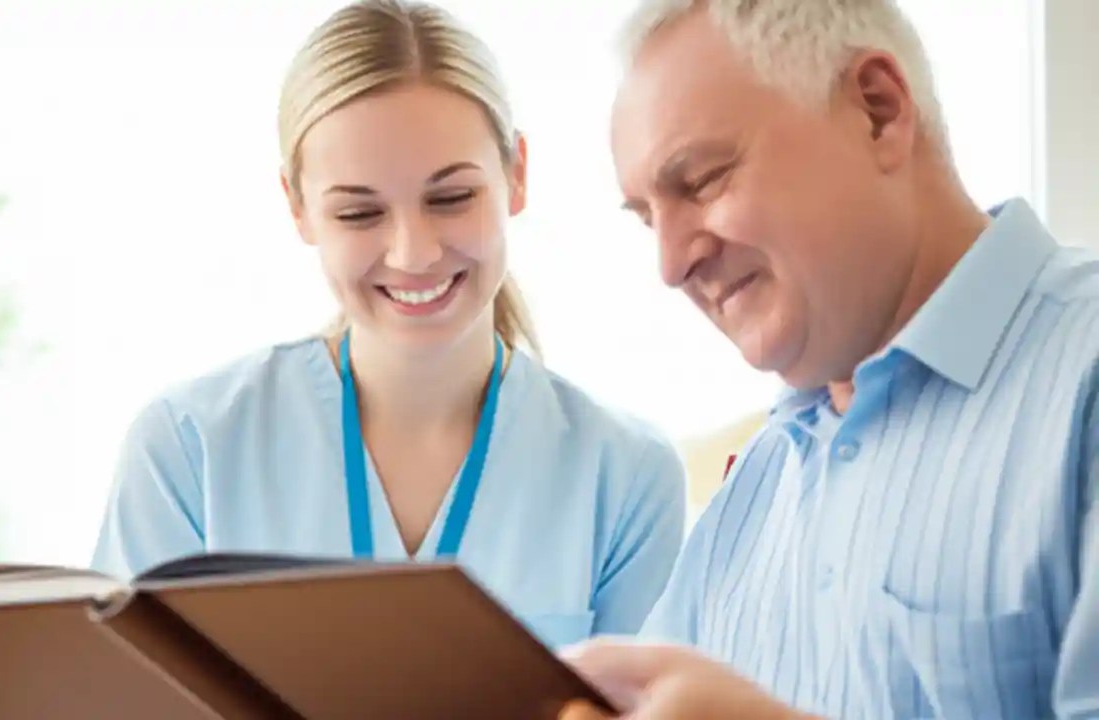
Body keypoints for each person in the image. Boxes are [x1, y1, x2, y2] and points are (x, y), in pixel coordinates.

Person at [90, 0, 687, 651]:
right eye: (358, 214)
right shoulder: (190, 452)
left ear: (516, 174)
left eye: (451, 197)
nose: (414, 253)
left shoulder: (626, 477)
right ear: (298, 209)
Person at [563, 0, 1098, 717]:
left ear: (877, 112)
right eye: (648, 217)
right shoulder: (751, 493)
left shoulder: (1081, 381)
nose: (669, 262)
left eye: (702, 181)